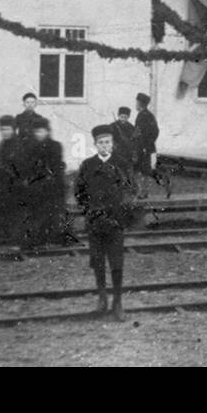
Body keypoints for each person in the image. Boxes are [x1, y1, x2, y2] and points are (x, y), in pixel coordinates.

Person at [75, 124, 135, 320]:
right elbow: (79, 192)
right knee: (98, 262)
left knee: (116, 264)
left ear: (113, 143)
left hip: (115, 222)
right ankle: (102, 299)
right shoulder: (87, 165)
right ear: (95, 144)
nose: (104, 146)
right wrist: (89, 211)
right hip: (95, 222)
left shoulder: (122, 164)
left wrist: (120, 213)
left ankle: (117, 302)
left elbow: (129, 191)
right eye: (100, 143)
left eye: (107, 142)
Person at [21, 116, 67, 249]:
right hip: (37, 186)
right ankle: (37, 241)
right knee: (37, 216)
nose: (39, 134)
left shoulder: (55, 146)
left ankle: (56, 239)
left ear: (47, 131)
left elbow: (57, 166)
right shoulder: (30, 147)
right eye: (36, 132)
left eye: (41, 131)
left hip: (53, 186)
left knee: (55, 215)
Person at [0, 115, 26, 250]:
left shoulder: (18, 145)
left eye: (7, 129)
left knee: (16, 214)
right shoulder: (2, 145)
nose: (5, 132)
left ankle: (17, 242)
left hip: (16, 186)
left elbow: (21, 168)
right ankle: (7, 239)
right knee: (4, 213)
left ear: (13, 129)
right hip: (2, 186)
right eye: (2, 129)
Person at [133, 93, 161, 196]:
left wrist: (146, 144)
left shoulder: (145, 116)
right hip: (141, 147)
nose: (135, 104)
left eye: (137, 102)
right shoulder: (143, 115)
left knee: (144, 170)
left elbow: (154, 131)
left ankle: (143, 192)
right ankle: (142, 191)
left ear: (140, 103)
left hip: (144, 148)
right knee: (141, 169)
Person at [110, 107, 138, 187]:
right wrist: (114, 145)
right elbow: (109, 138)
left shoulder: (131, 127)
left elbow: (134, 140)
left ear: (128, 117)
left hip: (127, 153)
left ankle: (129, 185)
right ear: (118, 116)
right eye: (121, 117)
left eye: (125, 117)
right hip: (116, 152)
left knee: (128, 170)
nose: (123, 119)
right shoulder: (112, 126)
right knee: (116, 170)